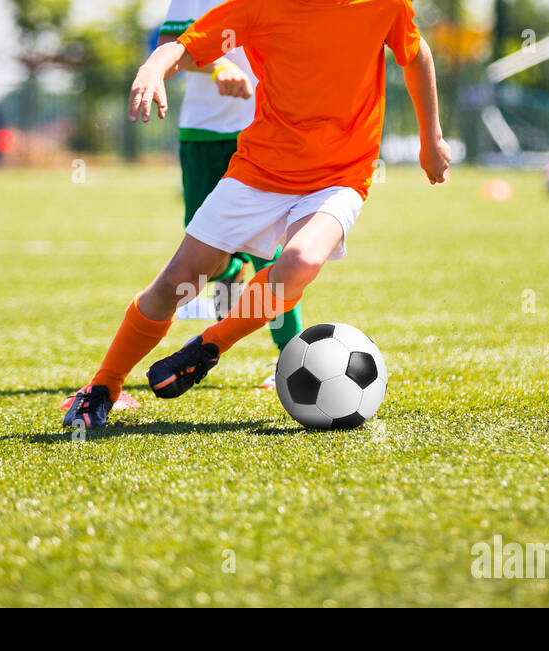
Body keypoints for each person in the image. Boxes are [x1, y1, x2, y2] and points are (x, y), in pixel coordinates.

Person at [62, 0, 450, 429]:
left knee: (300, 261)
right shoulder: (258, 7)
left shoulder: (383, 5)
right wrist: (153, 68)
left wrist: (430, 138)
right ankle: (104, 386)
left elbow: (416, 55)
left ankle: (207, 347)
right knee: (178, 280)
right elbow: (185, 47)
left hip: (340, 174)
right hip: (259, 170)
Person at [156, 0, 304, 391]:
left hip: (263, 130)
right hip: (203, 134)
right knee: (203, 251)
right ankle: (229, 271)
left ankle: (293, 358)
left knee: (269, 250)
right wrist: (218, 63)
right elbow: (169, 42)